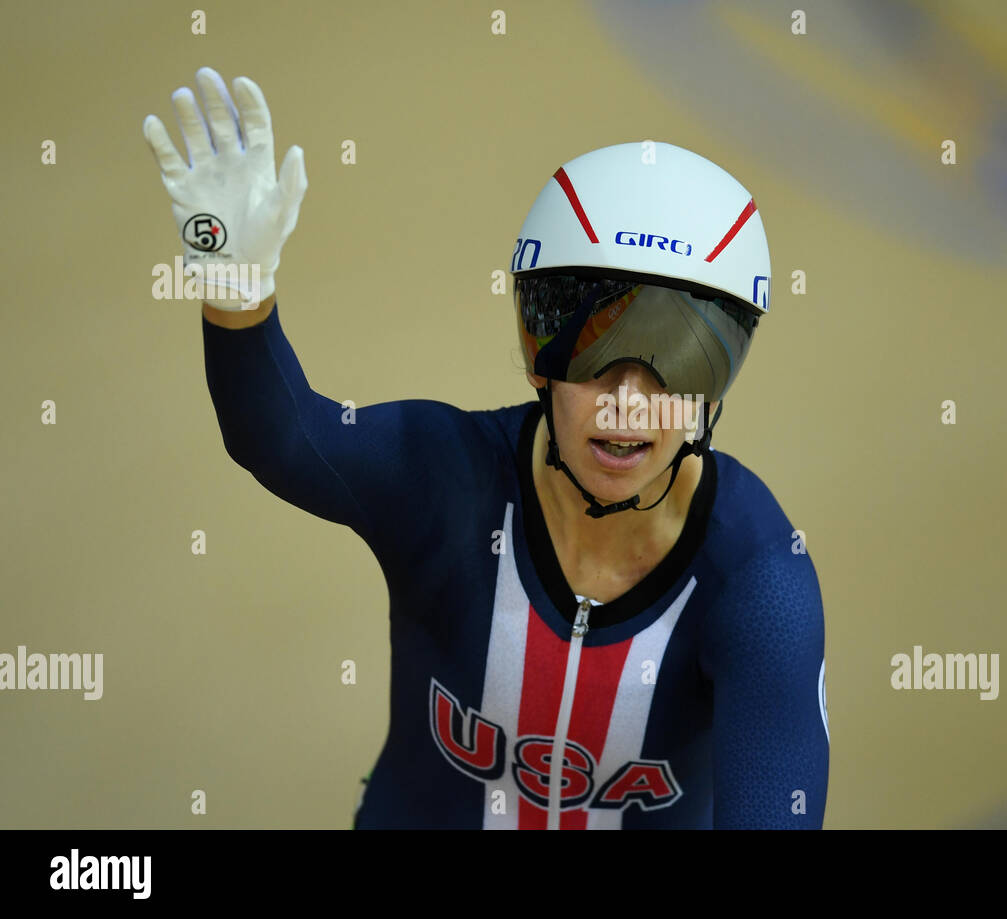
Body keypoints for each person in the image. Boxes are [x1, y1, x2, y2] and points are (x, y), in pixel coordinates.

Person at [143, 67, 829, 829]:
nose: (629, 402)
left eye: (681, 360)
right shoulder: (446, 478)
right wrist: (238, 289)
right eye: (596, 349)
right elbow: (281, 437)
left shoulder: (760, 583)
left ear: (717, 383)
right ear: (538, 354)